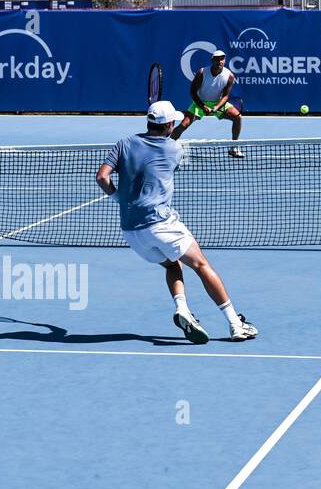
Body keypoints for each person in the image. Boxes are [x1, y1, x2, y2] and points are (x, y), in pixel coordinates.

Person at [96, 100, 258, 344]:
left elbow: (102, 177)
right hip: (161, 224)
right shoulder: (174, 150)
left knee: (173, 265)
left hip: (132, 231)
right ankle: (236, 324)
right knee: (202, 266)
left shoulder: (124, 143)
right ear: (169, 124)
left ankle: (182, 309)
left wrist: (119, 197)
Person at [170, 50, 244, 157]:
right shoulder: (202, 73)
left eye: (222, 59)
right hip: (200, 102)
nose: (220, 62)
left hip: (218, 103)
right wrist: (203, 106)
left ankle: (234, 147)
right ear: (212, 60)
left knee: (238, 117)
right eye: (217, 59)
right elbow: (193, 92)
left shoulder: (229, 76)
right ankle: (167, 145)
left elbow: (225, 96)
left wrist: (216, 107)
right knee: (183, 124)